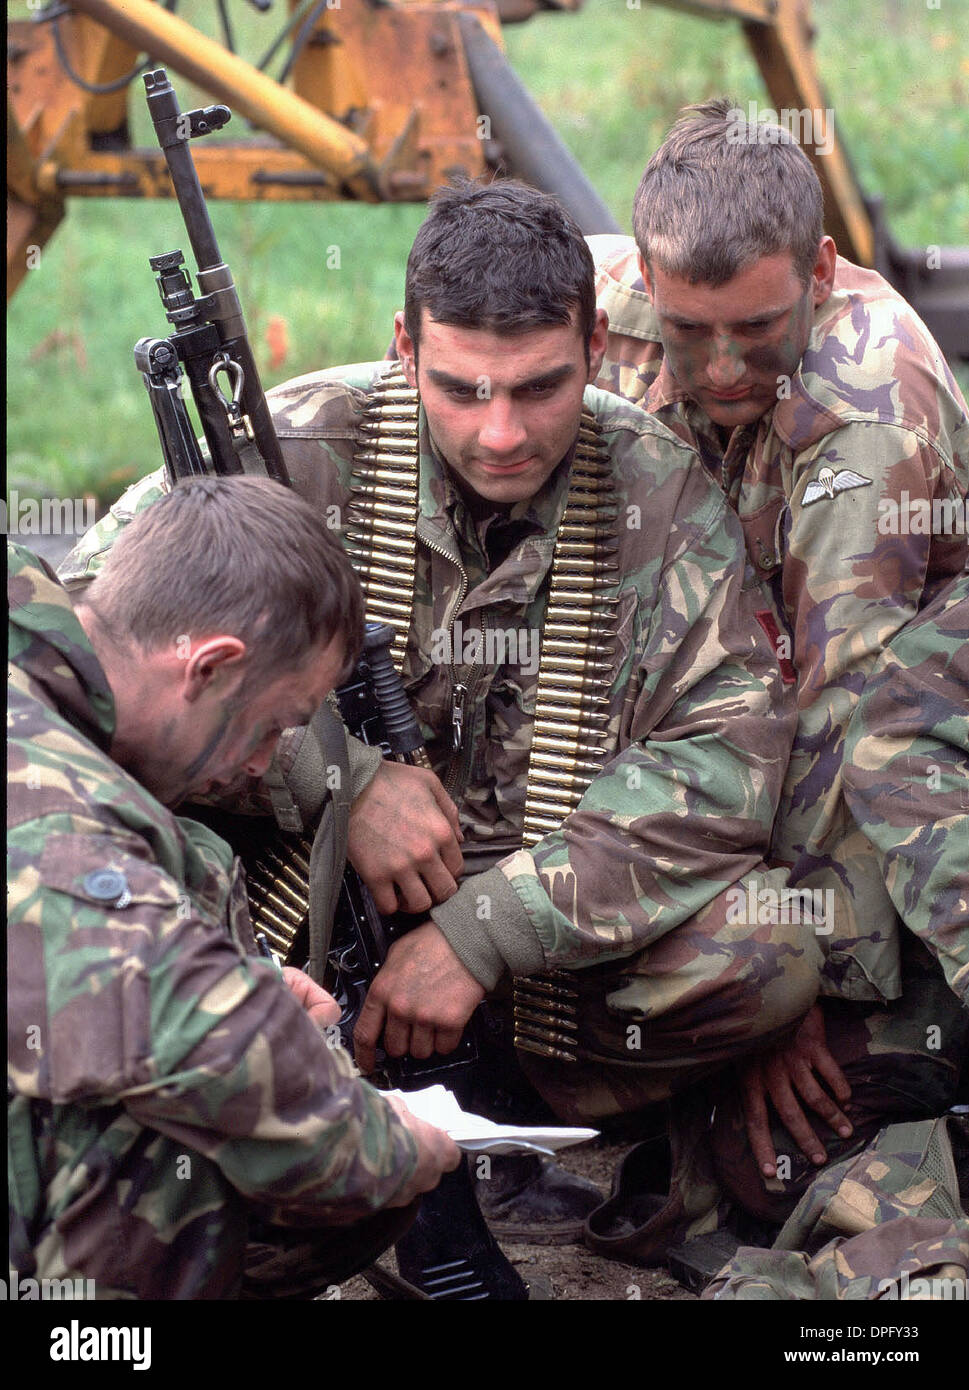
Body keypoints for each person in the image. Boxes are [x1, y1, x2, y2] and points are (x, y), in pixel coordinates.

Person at [59, 181, 823, 1243]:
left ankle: (502, 1110)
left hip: (541, 969)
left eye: (539, 387)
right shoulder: (294, 453)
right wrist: (340, 782)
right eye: (460, 389)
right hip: (294, 931)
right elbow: (89, 677)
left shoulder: (652, 487)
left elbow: (725, 759)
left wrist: (484, 932)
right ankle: (284, 1078)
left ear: (597, 346)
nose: (500, 432)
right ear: (404, 352)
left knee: (766, 950)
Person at [589, 99, 969, 1217]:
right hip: (689, 730)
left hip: (874, 782)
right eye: (686, 327)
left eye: (755, 329)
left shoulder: (870, 417)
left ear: (822, 268)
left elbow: (846, 712)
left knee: (784, 1164)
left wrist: (778, 981)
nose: (715, 368)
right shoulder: (598, 306)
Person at [8, 475, 460, 1301]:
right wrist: (395, 1146)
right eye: (276, 724)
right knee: (174, 1139)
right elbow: (191, 1039)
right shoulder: (52, 798)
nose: (263, 763)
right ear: (210, 666)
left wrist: (238, 985)